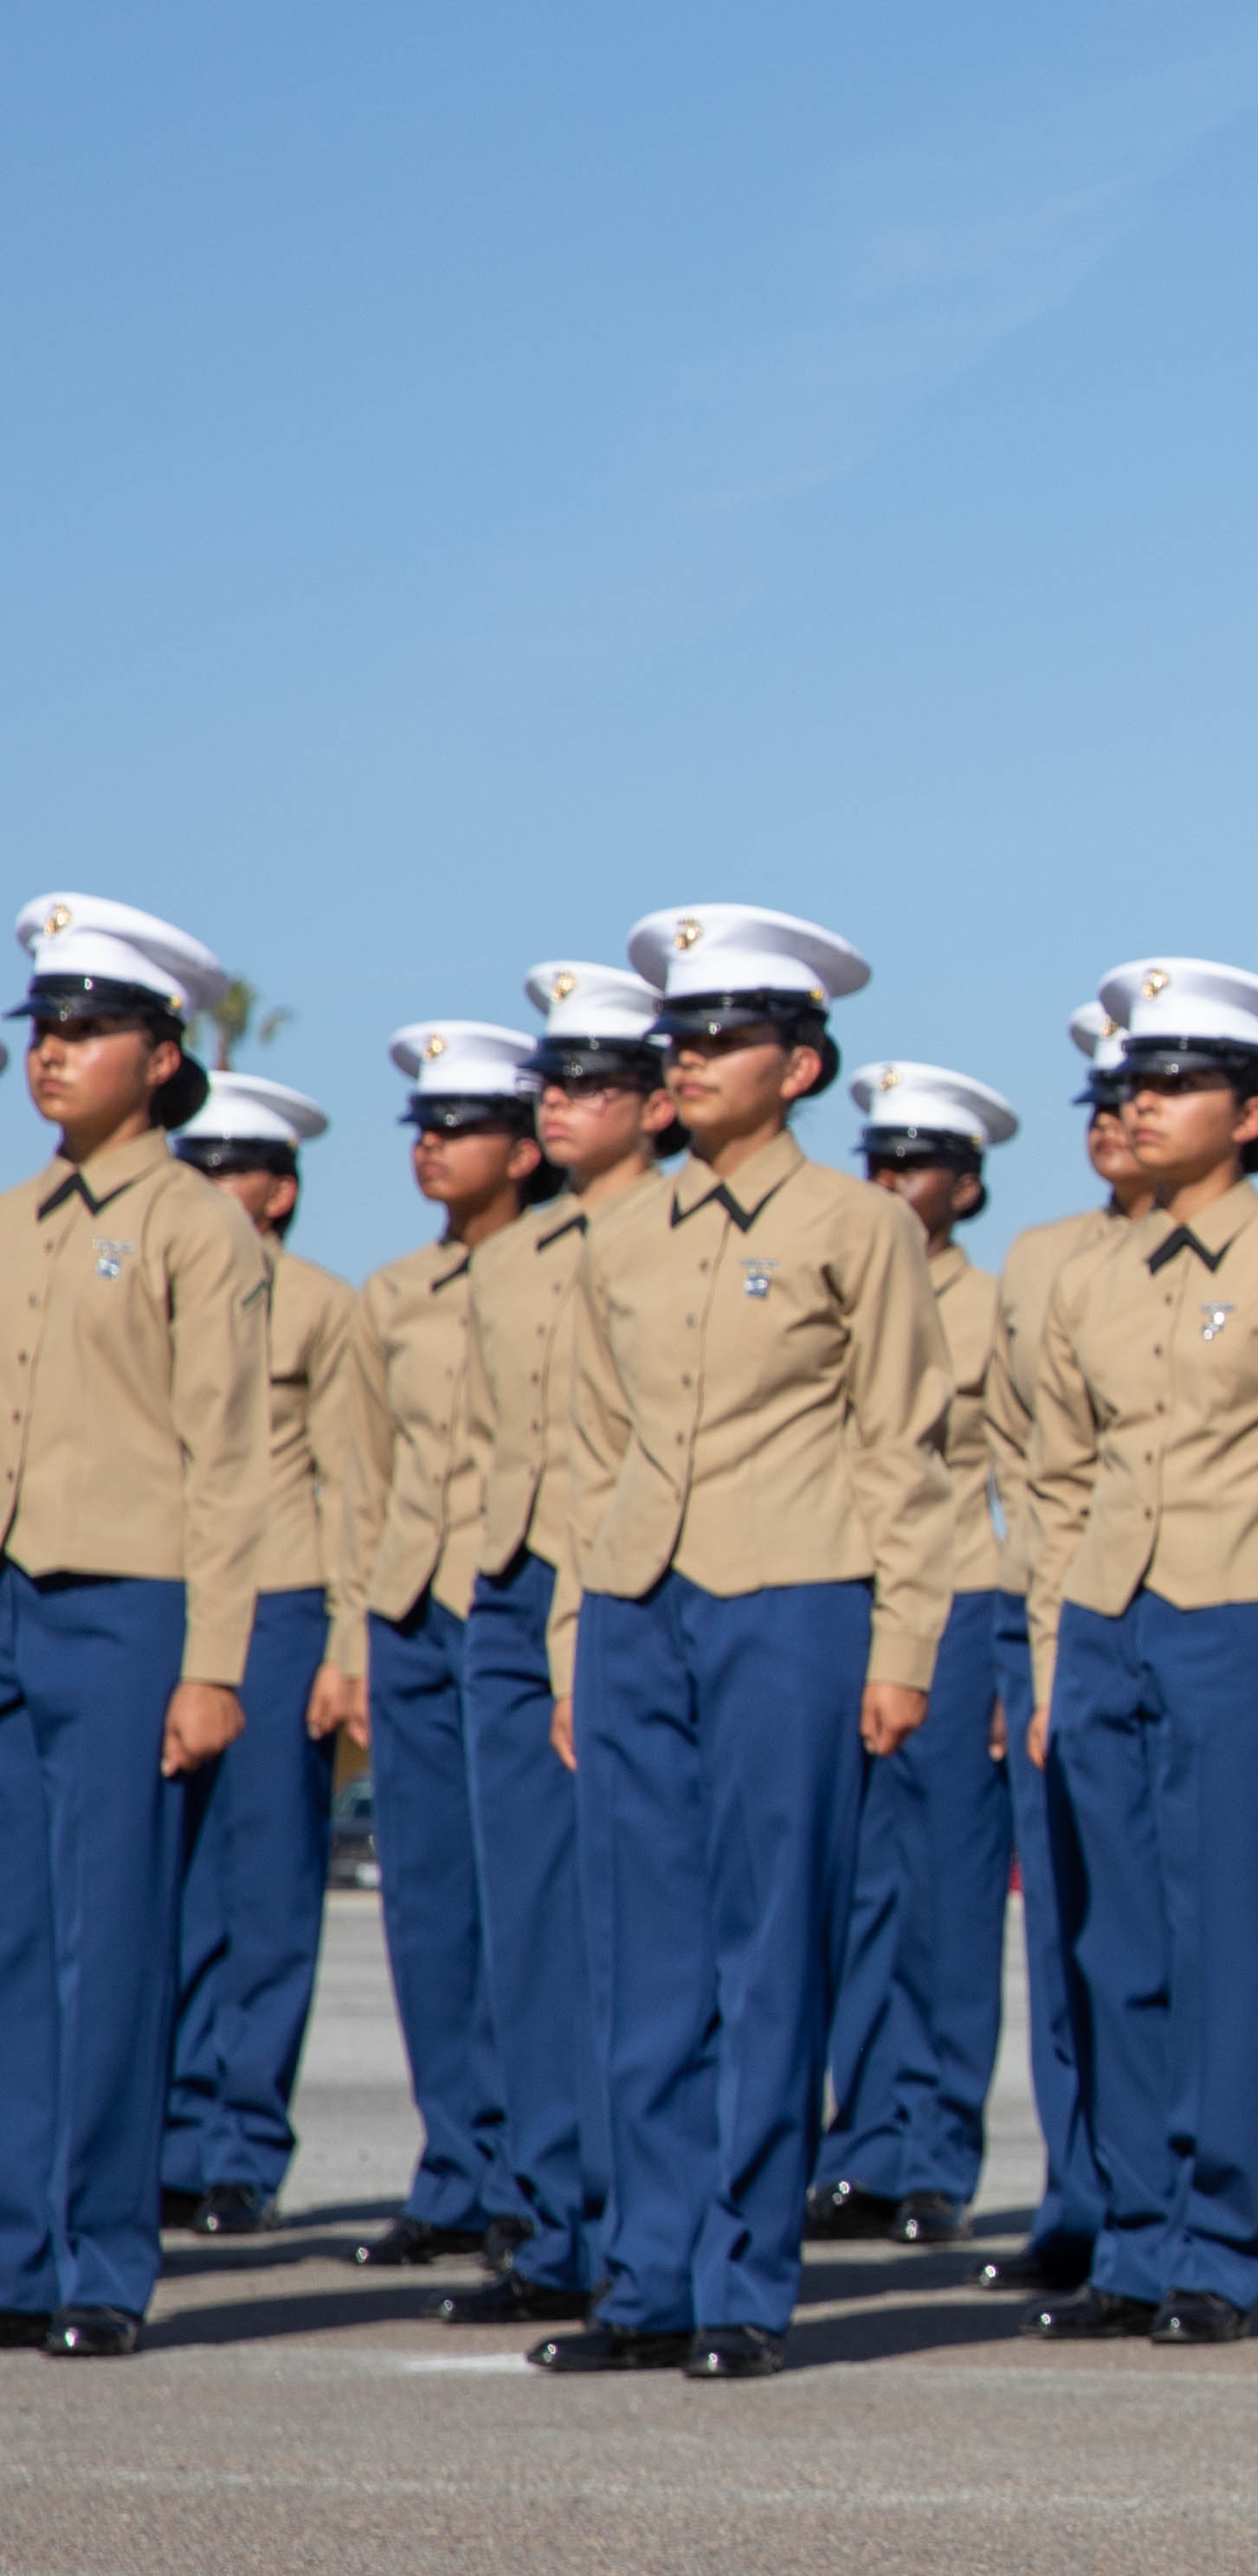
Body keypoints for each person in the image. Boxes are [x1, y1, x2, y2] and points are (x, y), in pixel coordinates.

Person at [539, 905, 959, 2382]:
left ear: (800, 1063)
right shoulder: (617, 1232)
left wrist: (904, 1643)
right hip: (640, 1608)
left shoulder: (860, 1229)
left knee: (769, 1945)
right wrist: (577, 1636)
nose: (692, 1059)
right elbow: (589, 1449)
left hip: (794, 1596)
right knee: (640, 1951)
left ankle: (743, 2281)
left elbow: (905, 1443)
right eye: (680, 1037)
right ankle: (647, 2275)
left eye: (722, 1038)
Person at [1016, 962, 1258, 2351]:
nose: (1140, 1103)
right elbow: (1054, 1480)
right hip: (1108, 1626)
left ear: (1253, 1111)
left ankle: (1215, 2246)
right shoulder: (1086, 1278)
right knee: (1114, 1948)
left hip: (1247, 1621)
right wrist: (1056, 1659)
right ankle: (1132, 2233)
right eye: (1130, 1082)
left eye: (1172, 1084)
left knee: (1228, 1943)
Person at [0, 898, 269, 2355]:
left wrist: (215, 1662)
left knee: (108, 1944)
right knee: (10, 1945)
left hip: (127, 1614)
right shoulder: (14, 1225)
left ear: (163, 1058)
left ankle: (98, 2262)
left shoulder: (193, 1230)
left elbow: (228, 1461)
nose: (52, 1052)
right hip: (9, 1607)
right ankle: (11, 2249)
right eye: (39, 1025)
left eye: (88, 1028)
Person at [426, 958, 676, 2335]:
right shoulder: (515, 1256)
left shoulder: (672, 1240)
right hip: (505, 1590)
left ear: (655, 1102)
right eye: (551, 1083)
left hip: (620, 1593)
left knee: (628, 1935)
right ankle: (556, 2209)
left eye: (589, 1082)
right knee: (523, 1922)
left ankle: (645, 2221)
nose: (560, 1103)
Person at [332, 1021, 547, 2274]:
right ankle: (455, 2165)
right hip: (416, 1606)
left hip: (513, 1595)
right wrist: (362, 1624)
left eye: (459, 1126)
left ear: (523, 1148)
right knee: (429, 1906)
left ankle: (539, 2167)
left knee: (530, 1904)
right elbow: (365, 1474)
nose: (430, 1146)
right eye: (420, 1125)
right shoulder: (393, 1295)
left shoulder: (569, 1269)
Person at [803, 1059, 1021, 2253]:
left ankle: (933, 2153)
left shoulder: (994, 1306)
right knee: (853, 1895)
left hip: (959, 1606)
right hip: (840, 1597)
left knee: (944, 1897)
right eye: (877, 1160)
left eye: (917, 1163)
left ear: (968, 1187)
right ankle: (859, 2144)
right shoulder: (829, 1283)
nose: (892, 1180)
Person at [158, 1072, 371, 2239]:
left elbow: (352, 1483)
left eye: (229, 1167)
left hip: (282, 1602)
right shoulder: (159, 1289)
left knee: (270, 1887)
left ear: (279, 1191)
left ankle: (241, 2142)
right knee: (165, 1889)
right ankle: (165, 2135)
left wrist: (348, 1641)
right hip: (165, 1595)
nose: (204, 1186)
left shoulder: (318, 1307)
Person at [977, 1004, 1135, 2302]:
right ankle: (1077, 2191)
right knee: (1067, 1938)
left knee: (1167, 1935)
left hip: (1189, 1616)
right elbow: (1025, 1462)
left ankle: (1171, 2203)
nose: (1114, 1121)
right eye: (1101, 1098)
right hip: (1051, 1617)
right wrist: (1026, 1658)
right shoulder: (1040, 1261)